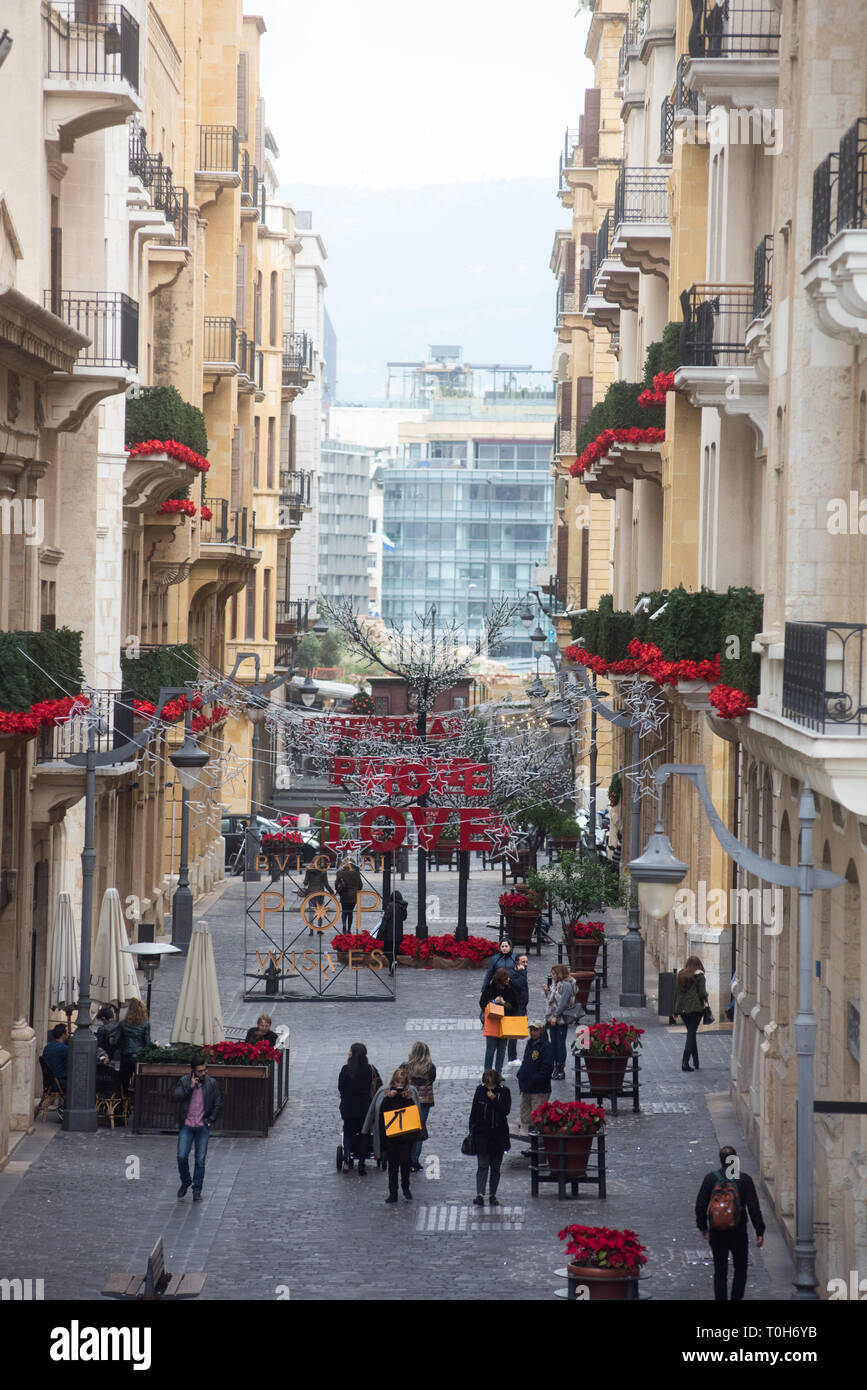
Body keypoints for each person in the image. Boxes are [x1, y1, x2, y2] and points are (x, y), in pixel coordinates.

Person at [696, 1145, 765, 1300]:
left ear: (721, 1161)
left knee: (720, 1270)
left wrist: (702, 1226)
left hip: (717, 1232)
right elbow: (754, 1208)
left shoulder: (710, 1179)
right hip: (738, 1233)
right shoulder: (745, 1180)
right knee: (740, 1268)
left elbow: (700, 1204)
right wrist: (759, 1231)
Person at [362, 1066, 425, 1204]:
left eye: (402, 1083)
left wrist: (407, 1097)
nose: (399, 1086)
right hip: (391, 1137)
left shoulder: (410, 1093)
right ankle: (393, 1192)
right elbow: (378, 1112)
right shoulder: (385, 1094)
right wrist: (388, 1097)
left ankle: (406, 1188)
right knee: (393, 1165)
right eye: (397, 1083)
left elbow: (416, 1114)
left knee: (405, 1162)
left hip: (406, 1136)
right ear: (393, 1082)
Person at [173, 1059, 222, 1203]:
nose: (203, 1073)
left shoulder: (211, 1083)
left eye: (205, 1070)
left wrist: (211, 1119)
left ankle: (197, 1190)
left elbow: (218, 1102)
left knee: (200, 1160)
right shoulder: (184, 1081)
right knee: (181, 1156)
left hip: (202, 1125)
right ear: (193, 1070)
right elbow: (176, 1097)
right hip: (187, 1125)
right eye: (200, 1071)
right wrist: (190, 1087)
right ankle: (186, 1180)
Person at [468, 1068, 511, 1205]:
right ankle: (479, 1194)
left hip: (498, 1136)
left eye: (492, 1085)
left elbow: (505, 1111)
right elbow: (474, 1111)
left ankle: (493, 1194)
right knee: (482, 1165)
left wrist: (494, 1100)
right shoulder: (480, 1090)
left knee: (495, 1167)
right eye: (487, 1085)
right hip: (482, 1136)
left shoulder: (504, 1092)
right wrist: (472, 1129)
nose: (489, 1088)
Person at [338, 1042, 378, 1175]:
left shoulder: (345, 1069)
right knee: (364, 1133)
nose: (348, 1052)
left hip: (348, 1107)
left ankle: (347, 1158)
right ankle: (362, 1162)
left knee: (348, 1131)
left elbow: (341, 1088)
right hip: (365, 1107)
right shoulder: (369, 1069)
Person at [543, 963, 580, 1080]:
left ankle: (560, 1068)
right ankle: (555, 1067)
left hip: (561, 1018)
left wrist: (555, 1016)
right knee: (553, 1043)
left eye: (554, 973)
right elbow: (551, 1000)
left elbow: (563, 1003)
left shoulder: (566, 985)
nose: (552, 976)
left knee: (560, 1043)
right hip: (552, 1017)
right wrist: (546, 991)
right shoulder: (556, 984)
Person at [516, 1020, 554, 1135]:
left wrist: (534, 1080)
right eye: (531, 1030)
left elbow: (547, 1069)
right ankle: (531, 1144)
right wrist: (520, 1075)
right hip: (527, 1089)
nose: (532, 1032)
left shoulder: (546, 1047)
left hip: (539, 1090)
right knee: (526, 1119)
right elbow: (526, 1062)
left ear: (541, 1031)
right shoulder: (530, 1044)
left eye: (535, 1030)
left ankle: (539, 1146)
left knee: (538, 1120)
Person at [479, 967, 518, 1075]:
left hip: (504, 1023)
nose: (508, 979)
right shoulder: (490, 988)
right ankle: (487, 1073)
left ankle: (498, 1073)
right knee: (490, 1049)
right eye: (506, 978)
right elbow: (482, 1003)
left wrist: (504, 1003)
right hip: (492, 1023)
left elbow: (514, 1007)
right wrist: (494, 1001)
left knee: (501, 1049)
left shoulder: (510, 990)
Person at [674, 955, 709, 1072]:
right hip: (695, 1009)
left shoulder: (681, 974)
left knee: (691, 1033)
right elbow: (702, 993)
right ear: (698, 964)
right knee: (691, 1033)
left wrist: (675, 1011)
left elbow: (677, 993)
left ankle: (696, 1061)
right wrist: (706, 997)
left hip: (683, 1009)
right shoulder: (699, 976)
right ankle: (685, 1062)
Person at [405, 1040, 436, 1173]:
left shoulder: (405, 1067)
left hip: (409, 1100)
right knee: (419, 1130)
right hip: (424, 1101)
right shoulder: (430, 1068)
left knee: (407, 1130)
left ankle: (406, 1158)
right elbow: (432, 1079)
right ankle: (414, 1160)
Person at [115, 998, 151, 1092]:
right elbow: (147, 1043)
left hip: (126, 1056)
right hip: (139, 1058)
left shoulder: (123, 1024)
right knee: (140, 1083)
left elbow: (115, 1041)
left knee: (123, 1082)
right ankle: (135, 1102)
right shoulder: (145, 1025)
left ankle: (123, 1102)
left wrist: (122, 1046)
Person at [506, 954, 530, 1068]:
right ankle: (512, 1057)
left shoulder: (521, 973)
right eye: (523, 962)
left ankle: (513, 1056)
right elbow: (520, 984)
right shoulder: (513, 974)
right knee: (513, 1033)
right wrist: (522, 972)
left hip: (522, 1006)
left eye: (526, 962)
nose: (525, 964)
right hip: (515, 1007)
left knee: (517, 1032)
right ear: (516, 962)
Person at [379, 889, 408, 970]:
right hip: (398, 934)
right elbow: (404, 918)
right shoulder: (402, 906)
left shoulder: (390, 905)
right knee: (394, 951)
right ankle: (392, 970)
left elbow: (386, 919)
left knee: (386, 950)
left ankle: (392, 962)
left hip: (389, 933)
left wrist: (381, 930)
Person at [335, 858, 364, 932]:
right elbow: (360, 885)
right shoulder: (356, 873)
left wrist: (339, 891)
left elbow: (336, 885)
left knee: (344, 911)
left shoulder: (340, 873)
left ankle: (344, 925)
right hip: (353, 896)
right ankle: (349, 929)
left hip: (344, 895)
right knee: (350, 912)